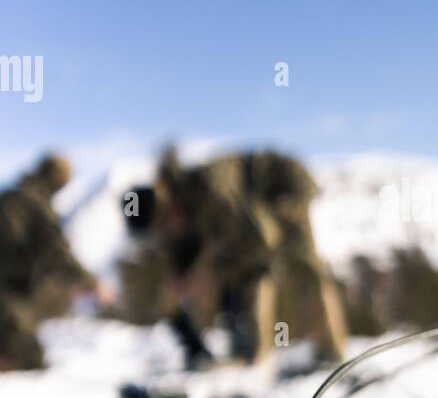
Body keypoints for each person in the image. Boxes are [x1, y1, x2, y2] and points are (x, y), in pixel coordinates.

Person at [119, 147, 347, 367]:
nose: (166, 232)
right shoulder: (181, 219)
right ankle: (250, 349)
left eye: (164, 223)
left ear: (167, 203)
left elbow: (262, 239)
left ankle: (329, 353)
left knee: (297, 264)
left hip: (283, 187)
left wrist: (210, 271)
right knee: (234, 266)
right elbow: (182, 275)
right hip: (249, 220)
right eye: (158, 232)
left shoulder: (213, 192)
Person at [0, 154, 96, 371]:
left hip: (12, 292)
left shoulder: (10, 197)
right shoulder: (36, 203)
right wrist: (91, 283)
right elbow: (57, 251)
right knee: (29, 360)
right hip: (9, 293)